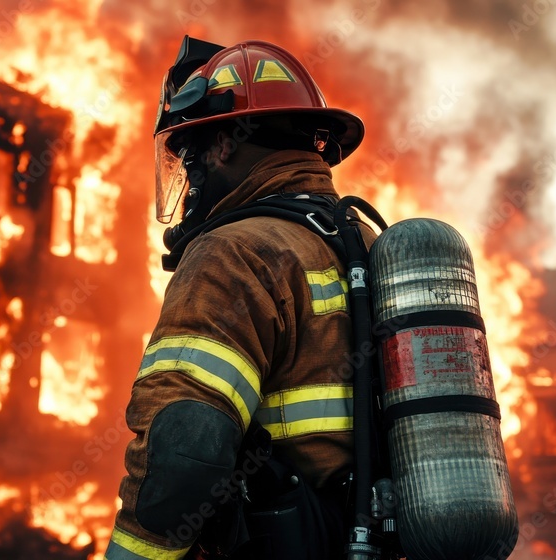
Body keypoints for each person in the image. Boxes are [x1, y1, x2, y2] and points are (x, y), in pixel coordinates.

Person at [103, 37, 376, 560]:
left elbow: (185, 451)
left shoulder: (232, 253)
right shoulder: (364, 244)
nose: (189, 175)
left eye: (191, 154)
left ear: (224, 144)